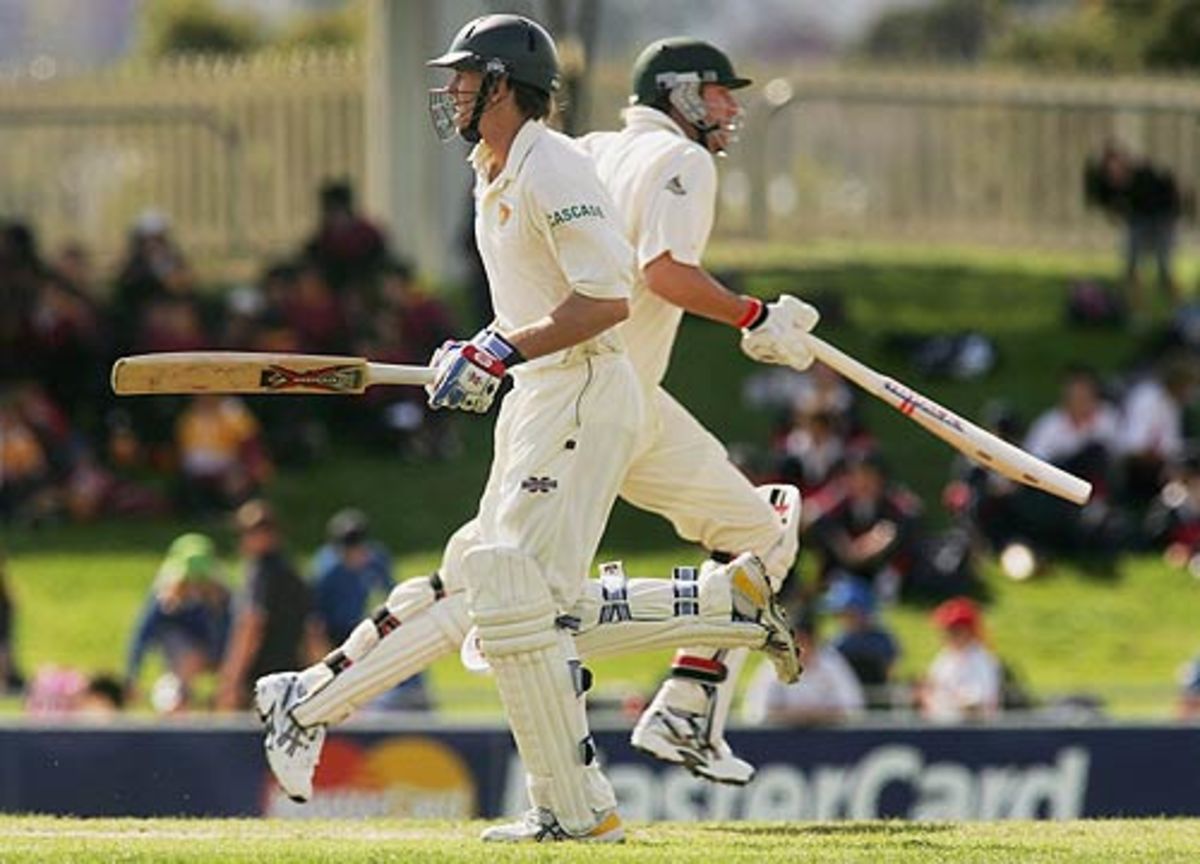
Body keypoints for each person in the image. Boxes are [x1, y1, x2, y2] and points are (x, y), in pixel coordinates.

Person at [251, 22, 809, 837]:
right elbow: (539, 296)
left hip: (585, 391)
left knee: (521, 603)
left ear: (503, 84)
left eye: (464, 78)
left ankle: (718, 613)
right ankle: (310, 701)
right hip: (544, 395)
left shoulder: (555, 164)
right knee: (484, 583)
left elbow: (608, 298)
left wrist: (500, 348)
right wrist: (480, 347)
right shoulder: (498, 168)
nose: (450, 92)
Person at [217, 500, 317, 711]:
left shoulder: (260, 573)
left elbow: (251, 624)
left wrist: (232, 679)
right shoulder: (292, 573)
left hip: (259, 682)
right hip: (291, 681)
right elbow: (312, 630)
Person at [124, 533, 231, 711]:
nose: (195, 585)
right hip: (180, 654)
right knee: (187, 656)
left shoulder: (222, 597)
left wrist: (229, 676)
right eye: (188, 581)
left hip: (214, 650)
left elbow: (235, 634)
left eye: (201, 580)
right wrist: (132, 675)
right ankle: (177, 700)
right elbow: (142, 636)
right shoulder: (164, 598)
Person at [1084, 142, 1182, 312]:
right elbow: (1100, 200)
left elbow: (1169, 193)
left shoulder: (1144, 175)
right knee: (1131, 269)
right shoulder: (1109, 185)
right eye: (1109, 169)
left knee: (1164, 271)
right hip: (1138, 222)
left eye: (1117, 166)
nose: (1114, 171)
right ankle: (1138, 312)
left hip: (1162, 220)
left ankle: (1181, 309)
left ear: (1125, 163)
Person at [742, 608, 864, 726]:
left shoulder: (832, 663)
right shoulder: (774, 664)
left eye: (805, 642)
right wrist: (797, 716)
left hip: (829, 736)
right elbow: (756, 712)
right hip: (780, 737)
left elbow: (854, 708)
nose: (801, 649)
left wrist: (814, 716)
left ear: (815, 642)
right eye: (796, 642)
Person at [918, 596, 1001, 723]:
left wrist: (947, 699)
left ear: (968, 631)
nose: (946, 635)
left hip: (973, 730)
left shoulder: (983, 661)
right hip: (939, 727)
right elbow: (930, 691)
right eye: (946, 630)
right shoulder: (945, 657)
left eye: (952, 630)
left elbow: (976, 707)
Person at [822, 578, 900, 710]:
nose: (843, 619)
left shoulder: (883, 640)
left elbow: (890, 671)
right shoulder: (836, 643)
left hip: (877, 700)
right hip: (845, 701)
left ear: (863, 612)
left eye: (849, 613)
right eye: (840, 614)